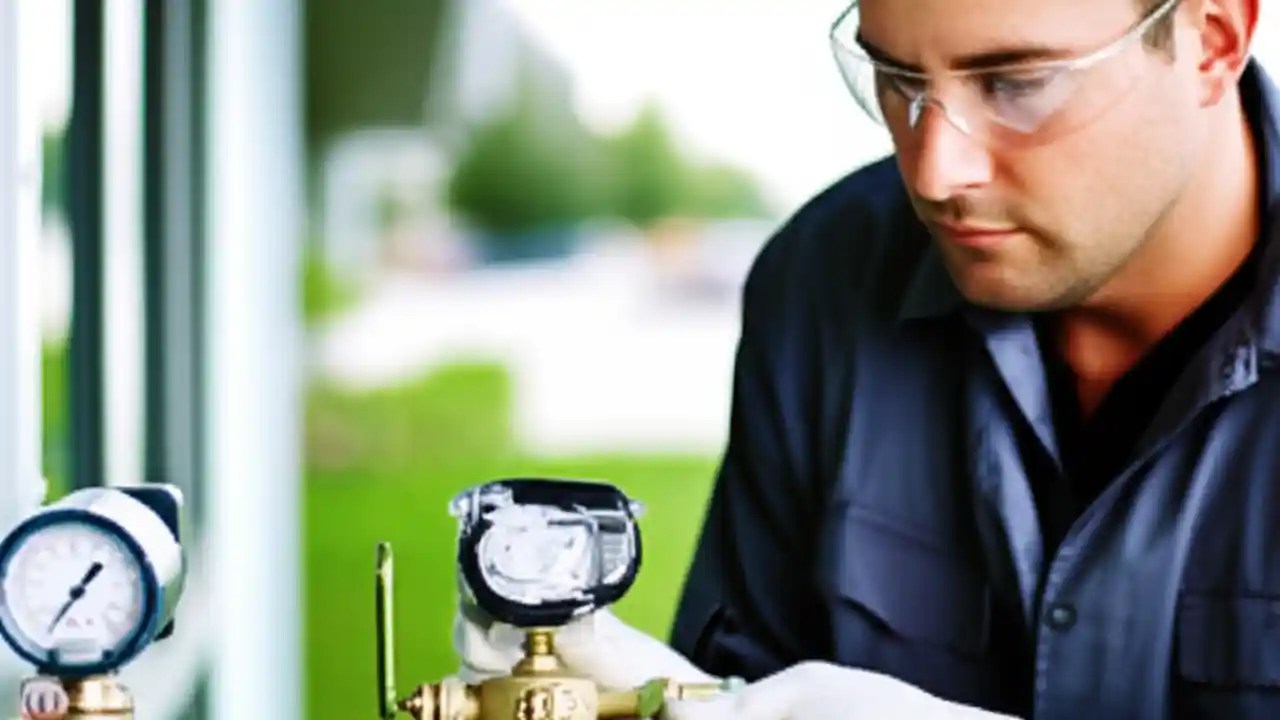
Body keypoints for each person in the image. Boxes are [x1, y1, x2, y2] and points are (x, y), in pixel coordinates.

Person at [456, 0, 1278, 716]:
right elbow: (729, 683)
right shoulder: (821, 281)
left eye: (1015, 84)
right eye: (898, 79)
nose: (935, 172)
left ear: (1212, 38)